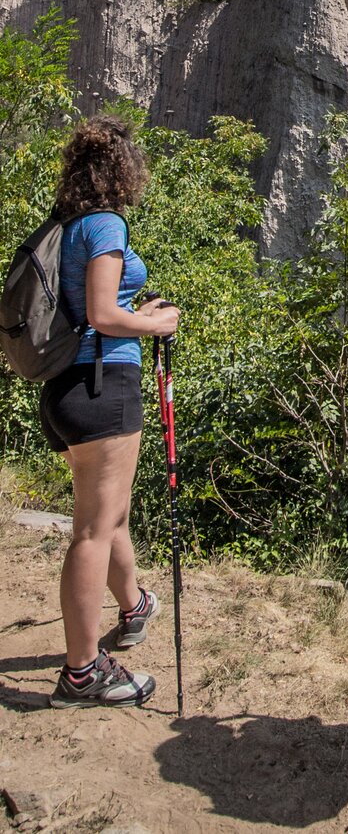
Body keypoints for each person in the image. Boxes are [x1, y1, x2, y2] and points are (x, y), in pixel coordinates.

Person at [41, 116, 180, 709]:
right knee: (94, 530)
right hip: (104, 383)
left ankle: (135, 605)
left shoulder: (68, 226)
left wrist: (133, 307)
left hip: (66, 385)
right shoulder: (107, 224)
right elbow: (101, 313)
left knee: (110, 515)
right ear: (122, 171)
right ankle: (80, 674)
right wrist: (153, 322)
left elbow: (93, 302)